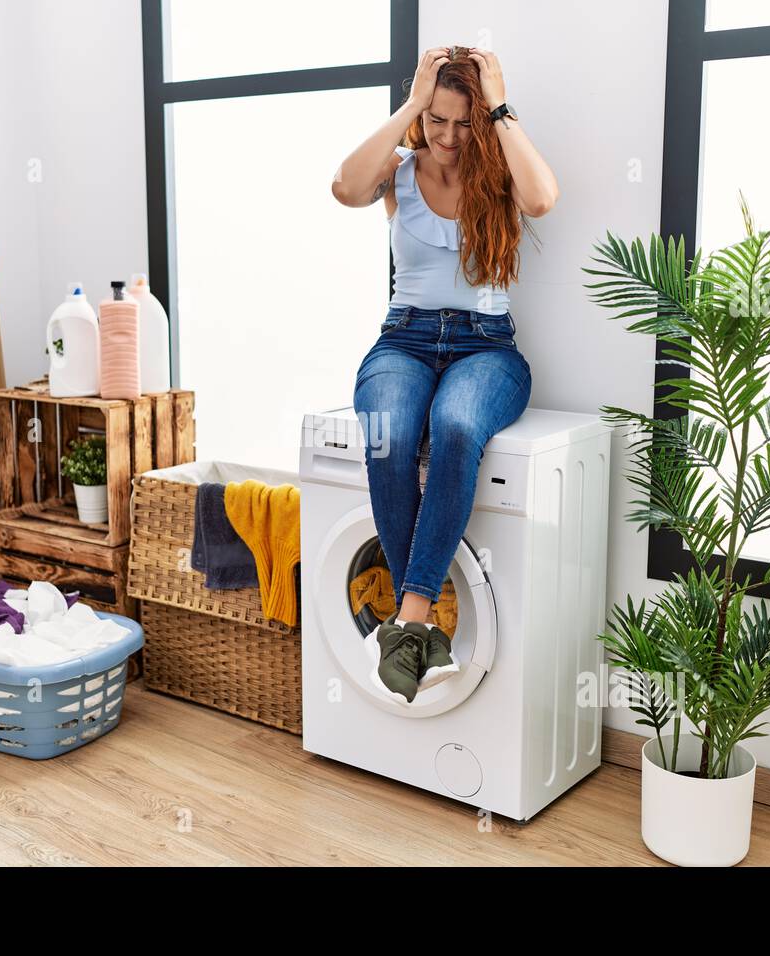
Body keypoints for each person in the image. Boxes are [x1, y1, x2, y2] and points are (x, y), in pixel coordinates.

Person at [331, 45, 560, 704]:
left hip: (486, 348)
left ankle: (404, 623)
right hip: (402, 341)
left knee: (456, 427)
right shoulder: (396, 174)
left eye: (465, 123)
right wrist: (411, 100)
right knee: (388, 435)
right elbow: (345, 187)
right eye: (437, 120)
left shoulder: (497, 174)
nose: (450, 137)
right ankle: (420, 624)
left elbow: (543, 199)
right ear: (420, 113)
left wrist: (500, 100)